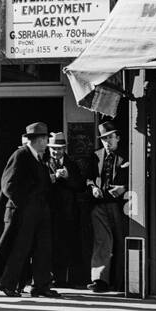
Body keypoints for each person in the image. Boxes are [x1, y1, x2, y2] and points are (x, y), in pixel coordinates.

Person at [0, 121, 58, 298]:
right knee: (20, 249)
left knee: (42, 248)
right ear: (38, 140)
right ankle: (7, 284)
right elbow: (8, 185)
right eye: (45, 139)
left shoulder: (39, 158)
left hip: (40, 211)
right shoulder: (21, 155)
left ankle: (41, 285)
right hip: (25, 211)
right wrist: (26, 204)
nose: (47, 143)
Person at [88, 122, 129, 293]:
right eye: (104, 138)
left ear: (118, 138)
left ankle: (121, 282)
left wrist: (124, 188)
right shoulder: (96, 156)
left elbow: (141, 176)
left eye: (110, 137)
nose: (107, 141)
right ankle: (99, 281)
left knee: (121, 242)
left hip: (121, 206)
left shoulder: (127, 155)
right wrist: (93, 188)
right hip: (99, 205)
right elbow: (89, 178)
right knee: (102, 242)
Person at [46, 130, 89, 289]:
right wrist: (55, 177)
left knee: (66, 246)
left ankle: (63, 279)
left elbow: (80, 186)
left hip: (68, 213)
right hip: (49, 212)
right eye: (53, 149)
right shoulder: (44, 162)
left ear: (64, 149)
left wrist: (68, 177)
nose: (56, 152)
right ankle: (48, 278)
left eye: (59, 149)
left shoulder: (72, 164)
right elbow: (41, 184)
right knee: (49, 246)